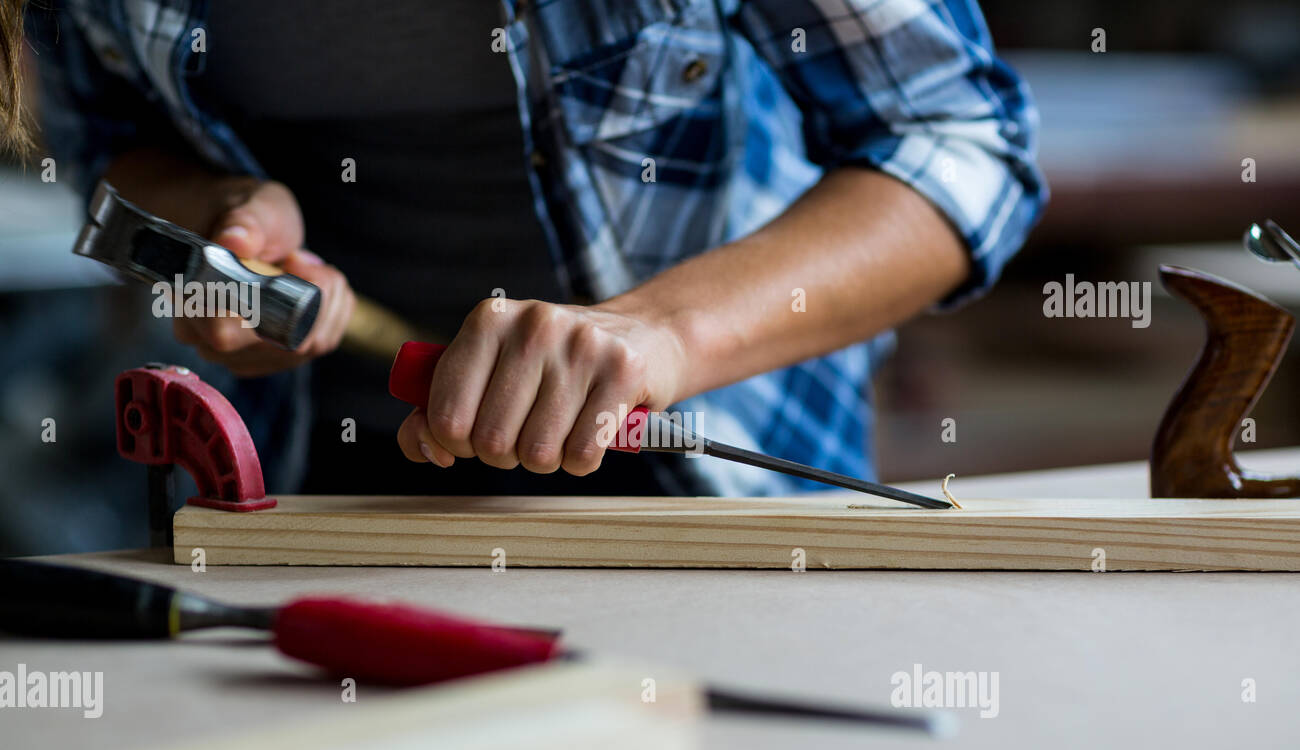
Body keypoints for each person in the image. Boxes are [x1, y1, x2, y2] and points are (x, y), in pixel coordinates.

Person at [3, 1, 1045, 496]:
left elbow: (957, 142)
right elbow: (111, 149)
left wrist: (661, 337)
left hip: (711, 497)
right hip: (308, 501)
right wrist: (218, 213)